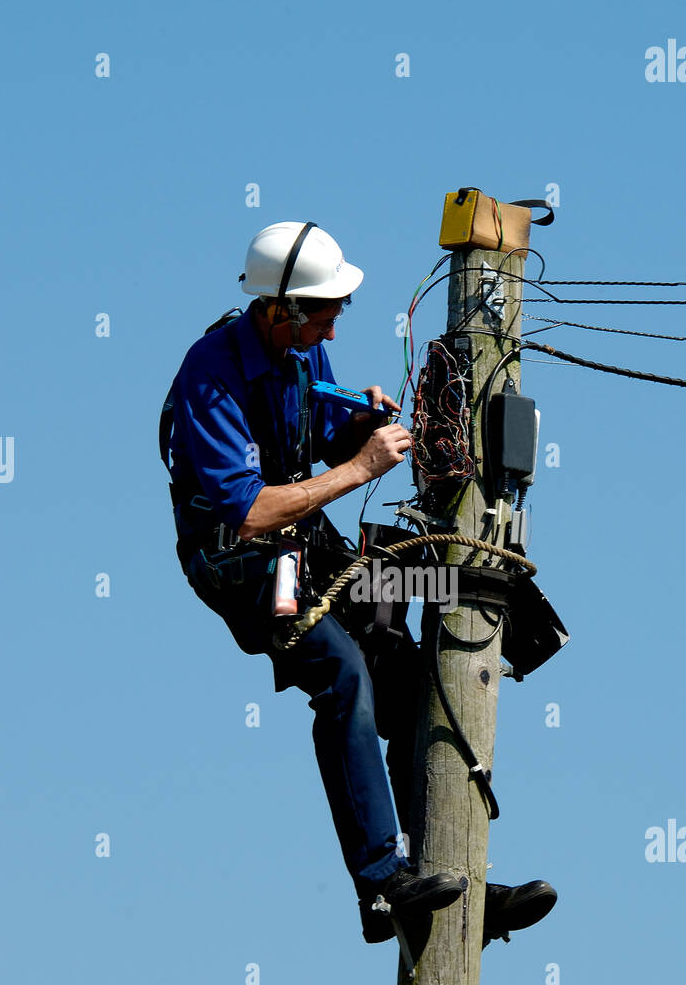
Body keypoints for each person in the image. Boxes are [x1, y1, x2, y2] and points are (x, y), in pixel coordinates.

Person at [160, 220, 557, 946]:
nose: (334, 329)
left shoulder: (297, 357)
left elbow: (317, 433)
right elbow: (247, 512)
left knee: (396, 662)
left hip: (302, 546)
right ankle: (381, 885)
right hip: (241, 563)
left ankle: (450, 875)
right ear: (281, 308)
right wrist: (360, 468)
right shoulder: (211, 373)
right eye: (325, 312)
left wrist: (359, 427)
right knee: (341, 675)